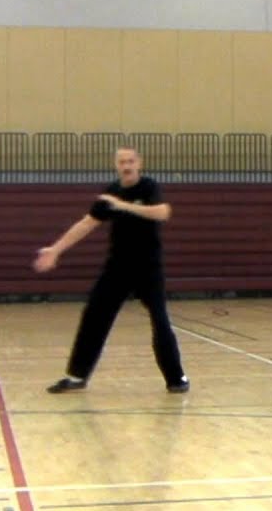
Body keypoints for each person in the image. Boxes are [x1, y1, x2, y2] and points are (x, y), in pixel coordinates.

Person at [33, 146, 190, 394]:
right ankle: (77, 376)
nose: (126, 166)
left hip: (148, 267)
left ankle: (177, 378)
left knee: (160, 320)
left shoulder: (148, 187)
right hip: (117, 266)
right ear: (116, 165)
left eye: (130, 161)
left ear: (139, 163)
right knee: (94, 315)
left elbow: (162, 212)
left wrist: (123, 206)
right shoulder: (111, 192)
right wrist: (56, 249)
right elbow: (87, 223)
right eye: (122, 162)